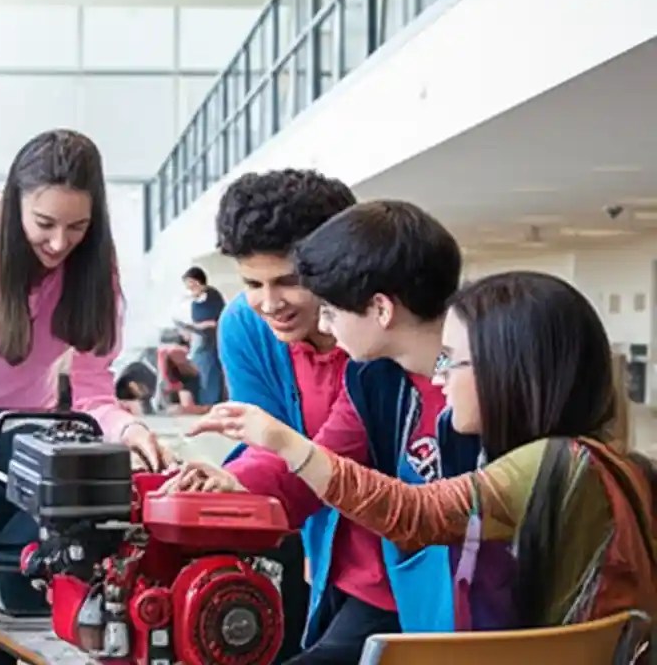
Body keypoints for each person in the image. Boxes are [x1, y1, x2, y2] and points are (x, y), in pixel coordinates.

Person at [197, 270, 657, 635]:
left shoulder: (545, 464)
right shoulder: (620, 466)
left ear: (510, 373)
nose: (439, 379)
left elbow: (411, 513)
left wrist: (282, 441)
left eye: (453, 360)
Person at [174, 201, 486, 662]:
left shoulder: (484, 383)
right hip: (405, 600)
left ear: (380, 308)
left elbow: (425, 512)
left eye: (332, 311)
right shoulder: (369, 379)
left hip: (480, 618)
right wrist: (236, 485)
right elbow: (326, 465)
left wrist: (281, 440)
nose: (323, 327)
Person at [0, 129, 175, 568]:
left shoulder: (94, 268)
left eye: (77, 227)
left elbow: (92, 391)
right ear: (15, 200)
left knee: (26, 560)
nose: (59, 243)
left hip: (26, 426)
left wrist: (129, 431)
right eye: (44, 224)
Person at [191, 169, 355, 661]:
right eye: (252, 283)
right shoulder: (244, 323)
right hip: (306, 517)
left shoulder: (374, 328)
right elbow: (266, 440)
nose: (270, 303)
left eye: (288, 281)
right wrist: (226, 482)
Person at [176, 266, 227, 405]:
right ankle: (202, 402)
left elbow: (216, 321)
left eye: (192, 284)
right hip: (200, 342)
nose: (190, 288)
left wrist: (198, 326)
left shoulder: (212, 296)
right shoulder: (194, 304)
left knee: (210, 372)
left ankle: (210, 402)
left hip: (213, 342)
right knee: (197, 369)